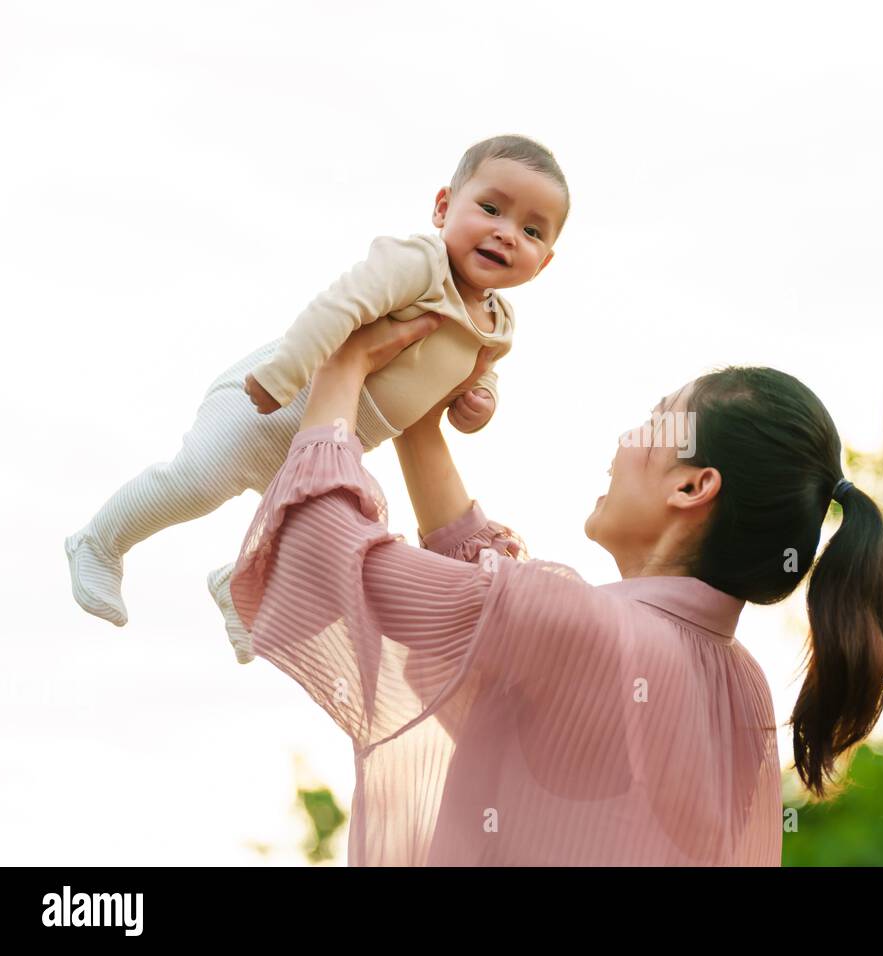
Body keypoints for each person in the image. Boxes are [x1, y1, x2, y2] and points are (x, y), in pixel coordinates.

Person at [228, 314, 883, 866]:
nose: (624, 442)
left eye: (657, 423)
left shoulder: (591, 633)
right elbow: (503, 620)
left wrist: (339, 371)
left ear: (693, 486)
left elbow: (325, 555)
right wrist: (419, 424)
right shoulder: (738, 689)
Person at [64, 135, 568, 665]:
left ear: (545, 261)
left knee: (316, 542)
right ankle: (99, 542)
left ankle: (239, 592)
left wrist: (479, 405)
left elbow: (481, 377)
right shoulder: (419, 263)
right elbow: (339, 307)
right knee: (196, 482)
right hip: (275, 403)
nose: (505, 233)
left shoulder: (499, 324)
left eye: (531, 230)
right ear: (443, 207)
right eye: (490, 209)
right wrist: (284, 374)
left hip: (333, 442)